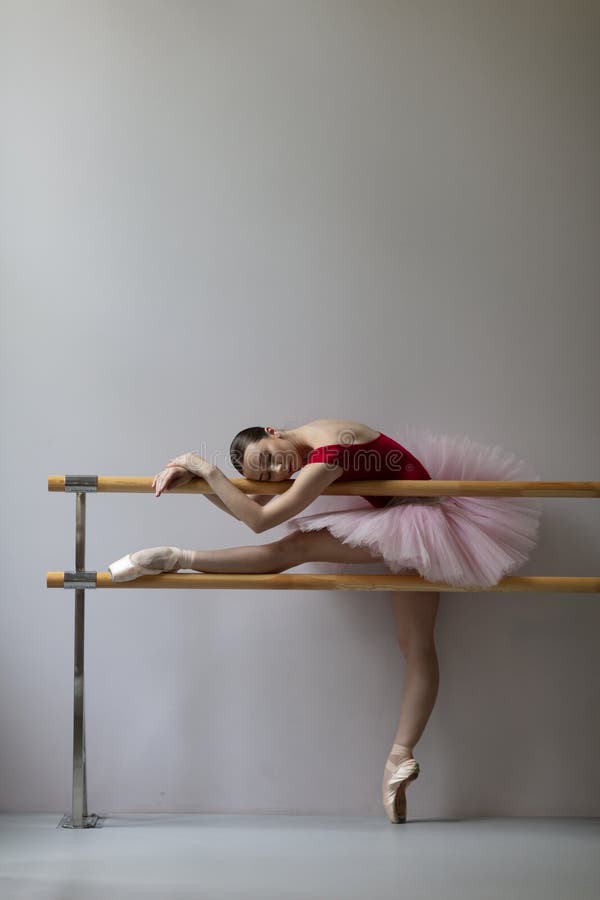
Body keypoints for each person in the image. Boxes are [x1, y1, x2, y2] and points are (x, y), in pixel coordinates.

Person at [108, 418, 543, 823]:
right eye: (267, 471)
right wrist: (204, 484)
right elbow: (254, 504)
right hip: (412, 513)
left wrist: (203, 466)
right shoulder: (308, 443)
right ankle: (399, 757)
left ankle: (173, 556)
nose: (278, 467)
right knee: (414, 645)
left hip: (421, 519)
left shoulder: (329, 453)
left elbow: (259, 520)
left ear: (272, 431)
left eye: (268, 457)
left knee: (294, 551)